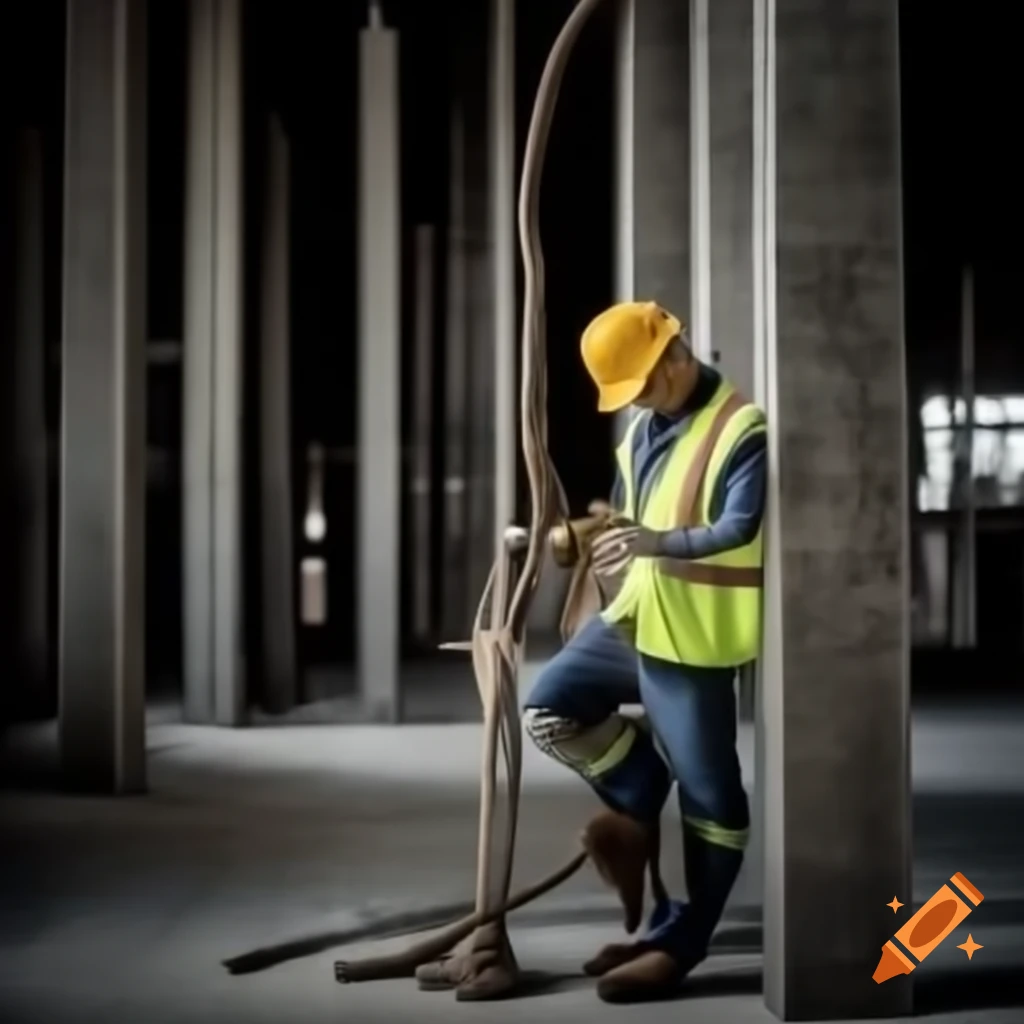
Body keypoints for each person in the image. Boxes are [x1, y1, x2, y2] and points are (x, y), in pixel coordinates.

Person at [523, 300, 767, 1003]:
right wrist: (609, 534)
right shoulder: (641, 431)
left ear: (673, 356)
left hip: (692, 635)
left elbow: (741, 526)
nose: (634, 402)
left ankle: (681, 942)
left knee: (713, 799)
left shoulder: (740, 429)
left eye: (640, 385)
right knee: (548, 711)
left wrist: (655, 543)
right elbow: (634, 514)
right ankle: (637, 804)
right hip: (635, 615)